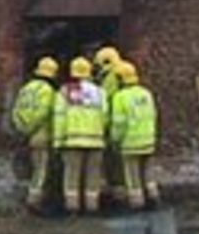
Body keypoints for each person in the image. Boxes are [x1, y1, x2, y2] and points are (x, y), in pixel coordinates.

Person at [54, 57, 108, 214]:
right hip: (96, 141)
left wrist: (58, 142)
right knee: (93, 176)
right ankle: (92, 207)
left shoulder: (65, 92)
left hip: (72, 141)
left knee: (71, 175)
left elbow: (59, 117)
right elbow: (105, 116)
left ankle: (73, 208)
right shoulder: (99, 92)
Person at [110, 60, 160, 210]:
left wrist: (114, 140)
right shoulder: (146, 93)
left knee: (132, 176)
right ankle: (153, 197)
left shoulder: (120, 97)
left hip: (130, 143)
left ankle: (137, 203)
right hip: (148, 141)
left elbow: (119, 124)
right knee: (148, 174)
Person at [12, 56, 59, 212]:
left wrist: (23, 128)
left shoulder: (26, 88)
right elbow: (44, 112)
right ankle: (35, 201)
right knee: (41, 170)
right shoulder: (48, 91)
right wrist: (33, 128)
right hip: (41, 135)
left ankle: (36, 198)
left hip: (28, 135)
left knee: (35, 166)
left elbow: (16, 109)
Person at [93, 45, 125, 201]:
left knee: (112, 161)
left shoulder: (110, 77)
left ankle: (114, 195)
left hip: (114, 124)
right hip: (126, 125)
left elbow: (106, 101)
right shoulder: (122, 72)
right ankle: (119, 193)